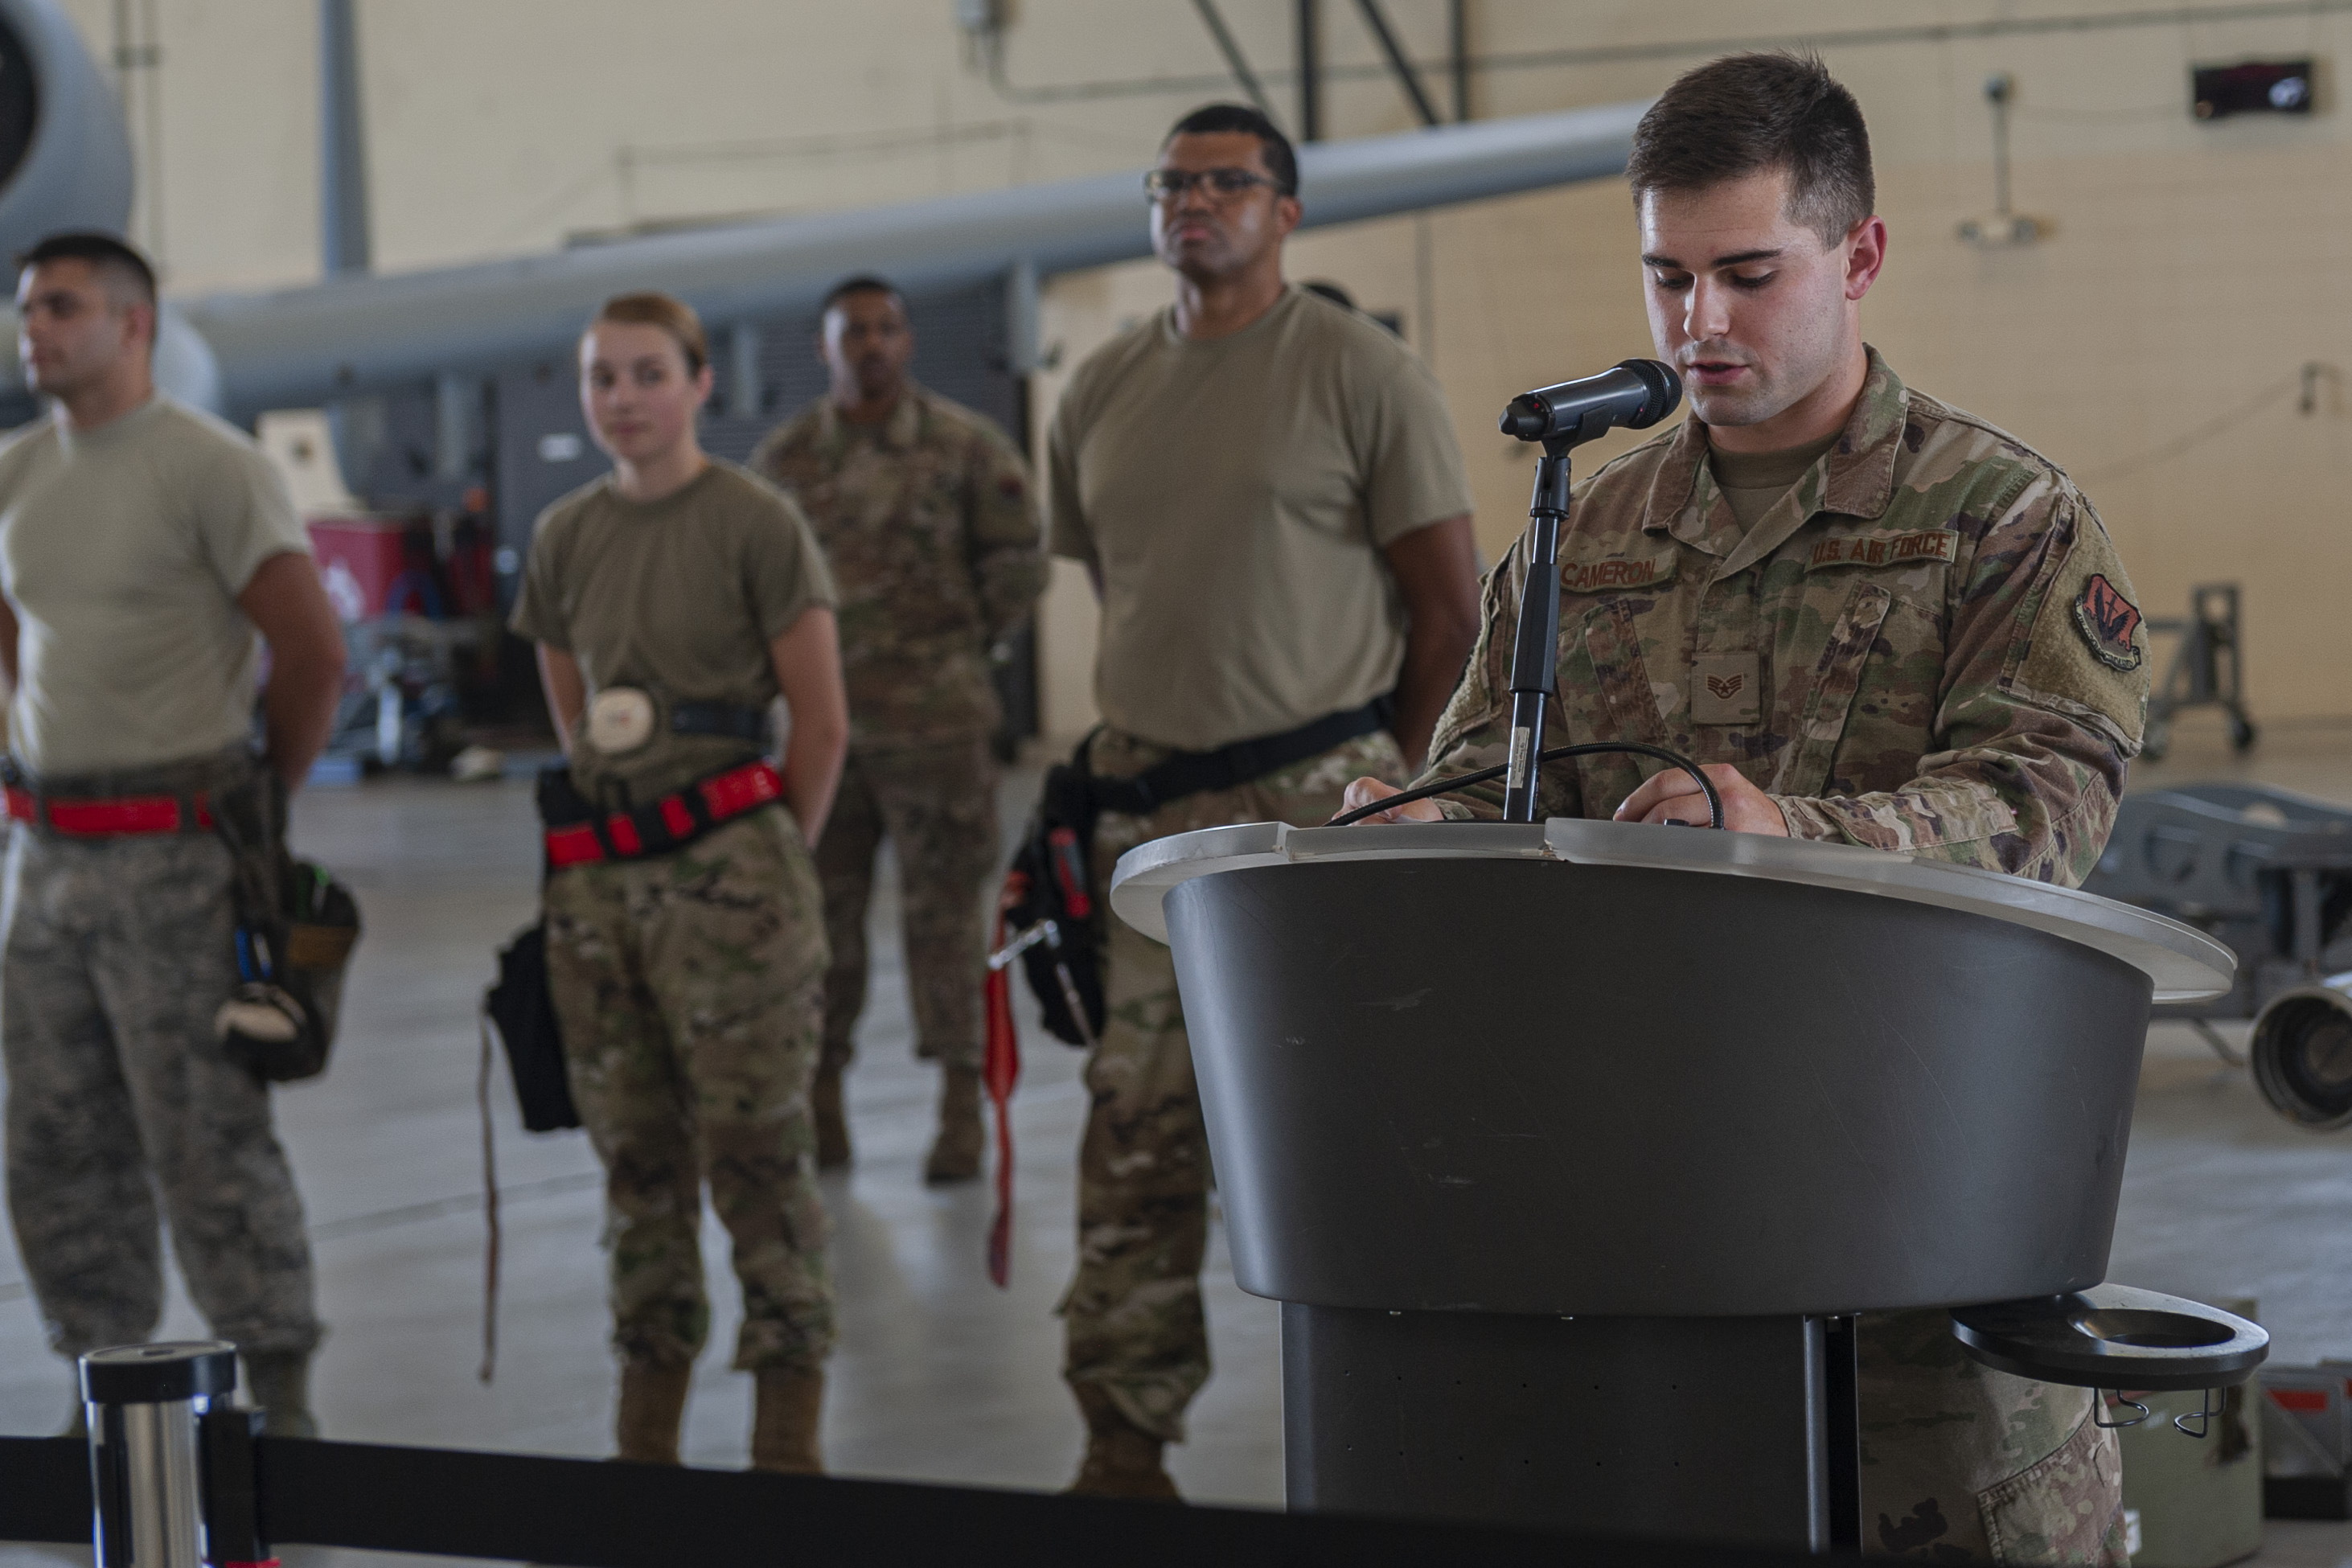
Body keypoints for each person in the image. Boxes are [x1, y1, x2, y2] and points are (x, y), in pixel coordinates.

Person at [1344, 54, 2147, 1565]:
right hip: (1640, 1227)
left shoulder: (2000, 521)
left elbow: (2046, 807)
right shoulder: (1583, 533)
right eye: (1667, 276)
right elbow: (1492, 786)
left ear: (1860, 255)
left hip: (1913, 1212)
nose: (1698, 322)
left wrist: (1792, 835)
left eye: (1748, 274)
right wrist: (1418, 836)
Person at [1046, 102, 1484, 1497]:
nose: (1193, 202)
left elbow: (1450, 615)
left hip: (1317, 806)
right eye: (1171, 183)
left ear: (1286, 211)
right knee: (1136, 1130)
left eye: (1227, 182)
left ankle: (1399, 1435)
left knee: (1352, 1126)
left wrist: (1389, 785)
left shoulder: (1361, 371)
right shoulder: (1099, 389)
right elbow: (1127, 586)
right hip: (1148, 818)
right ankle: (1122, 1446)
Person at [0, 232, 346, 1435]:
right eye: (27, 309)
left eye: (61, 307)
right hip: (46, 860)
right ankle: (103, 1389)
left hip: (178, 854)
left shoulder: (212, 467)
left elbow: (312, 653)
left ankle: (282, 1394)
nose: (34, 330)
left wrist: (257, 810)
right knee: (55, 1143)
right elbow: (18, 637)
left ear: (133, 324)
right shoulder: (15, 473)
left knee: (205, 1136)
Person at [510, 292, 849, 1472]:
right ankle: (644, 1448)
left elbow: (821, 723)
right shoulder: (564, 535)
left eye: (648, 374)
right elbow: (574, 716)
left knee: (757, 1160)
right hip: (603, 889)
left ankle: (786, 1454)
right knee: (636, 1162)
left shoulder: (756, 522)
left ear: (700, 384)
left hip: (732, 874)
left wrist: (765, 872)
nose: (623, 399)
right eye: (602, 377)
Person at [752, 275, 1045, 1184]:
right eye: (854, 332)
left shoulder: (965, 447)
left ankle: (961, 1110)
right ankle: (821, 1103)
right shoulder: (786, 461)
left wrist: (952, 648)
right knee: (817, 926)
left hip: (938, 730)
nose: (871, 345)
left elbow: (1019, 566)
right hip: (822, 735)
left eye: (886, 329)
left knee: (946, 926)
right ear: (824, 346)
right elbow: (754, 584)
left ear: (907, 340)